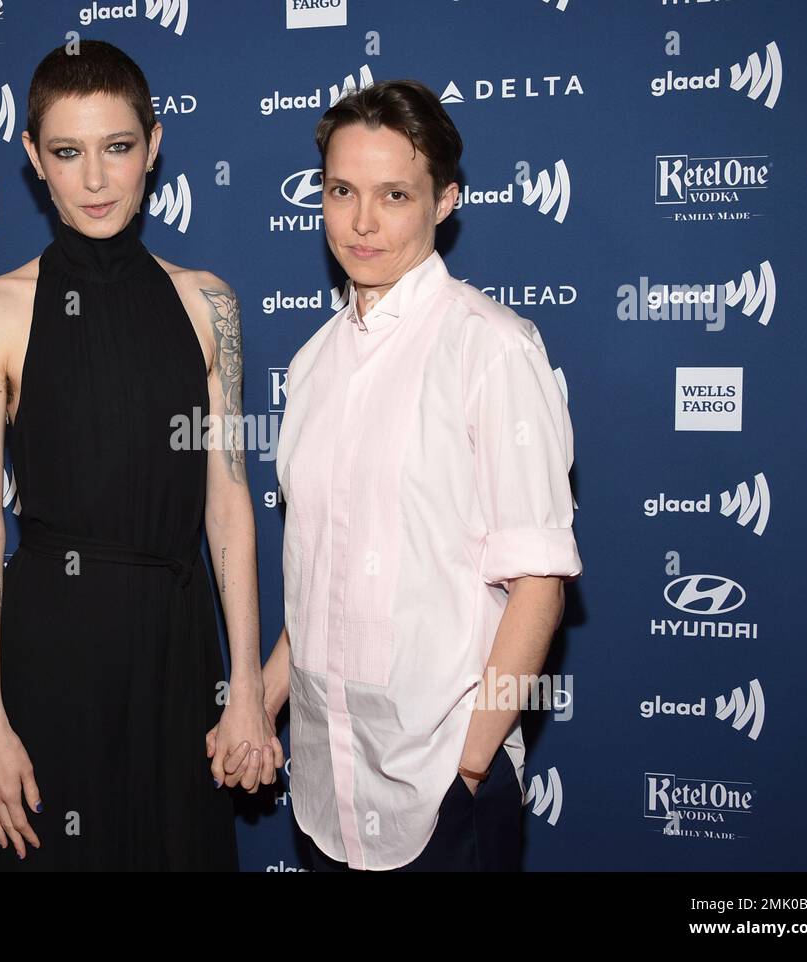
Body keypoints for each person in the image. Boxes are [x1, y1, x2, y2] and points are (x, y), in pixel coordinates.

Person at [0, 40, 275, 871]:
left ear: (154, 146)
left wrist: (246, 686)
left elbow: (228, 505)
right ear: (34, 159)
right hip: (50, 659)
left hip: (176, 654)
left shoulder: (212, 306)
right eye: (67, 152)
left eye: (117, 148)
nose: (95, 179)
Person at [261, 80, 583, 871]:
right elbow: (319, 582)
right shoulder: (311, 364)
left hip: (441, 798)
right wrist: (257, 707)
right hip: (326, 793)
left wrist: (468, 769)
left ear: (445, 202)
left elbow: (539, 583)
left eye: (394, 194)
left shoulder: (491, 349)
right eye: (342, 191)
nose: (362, 221)